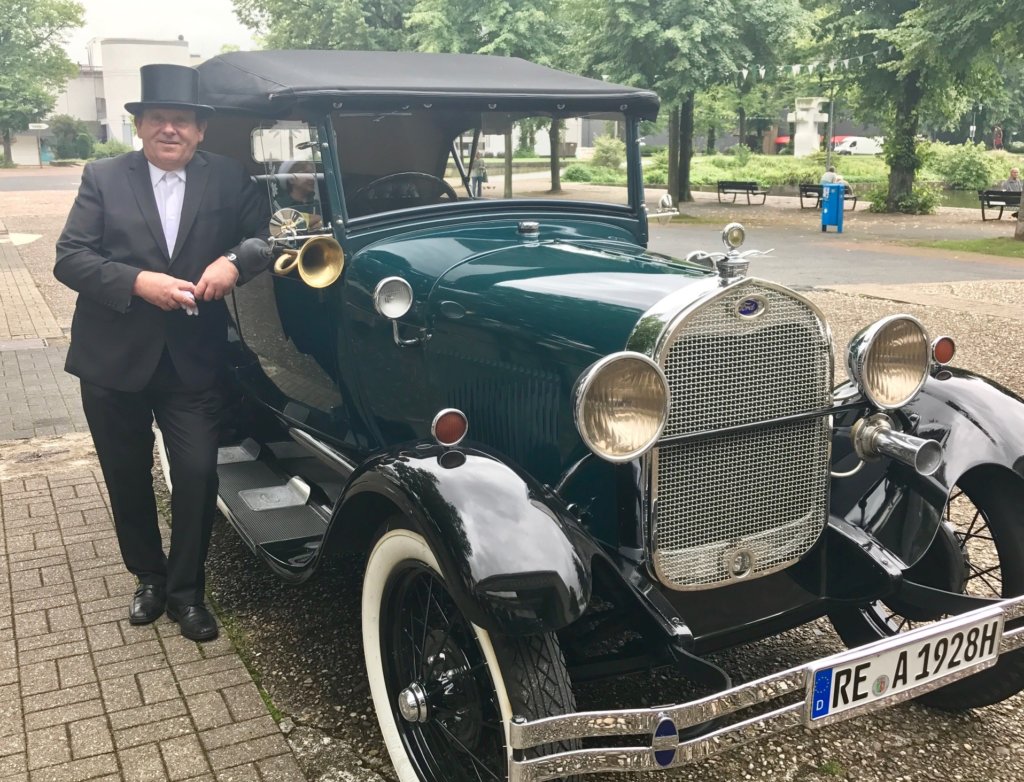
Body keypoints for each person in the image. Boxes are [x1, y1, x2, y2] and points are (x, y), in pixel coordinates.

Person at [54, 63, 270, 642]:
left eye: (182, 121)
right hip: (112, 357)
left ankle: (187, 593)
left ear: (200, 131)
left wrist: (235, 261)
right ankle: (148, 578)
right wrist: (136, 282)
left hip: (193, 360)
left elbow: (269, 233)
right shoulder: (102, 177)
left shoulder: (228, 177)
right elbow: (70, 257)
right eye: (158, 119)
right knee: (127, 474)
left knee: (198, 474)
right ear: (141, 127)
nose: (169, 129)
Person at [274, 160, 322, 228]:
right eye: (305, 173)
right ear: (291, 179)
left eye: (312, 173)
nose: (312, 178)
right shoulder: (279, 204)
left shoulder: (318, 204)